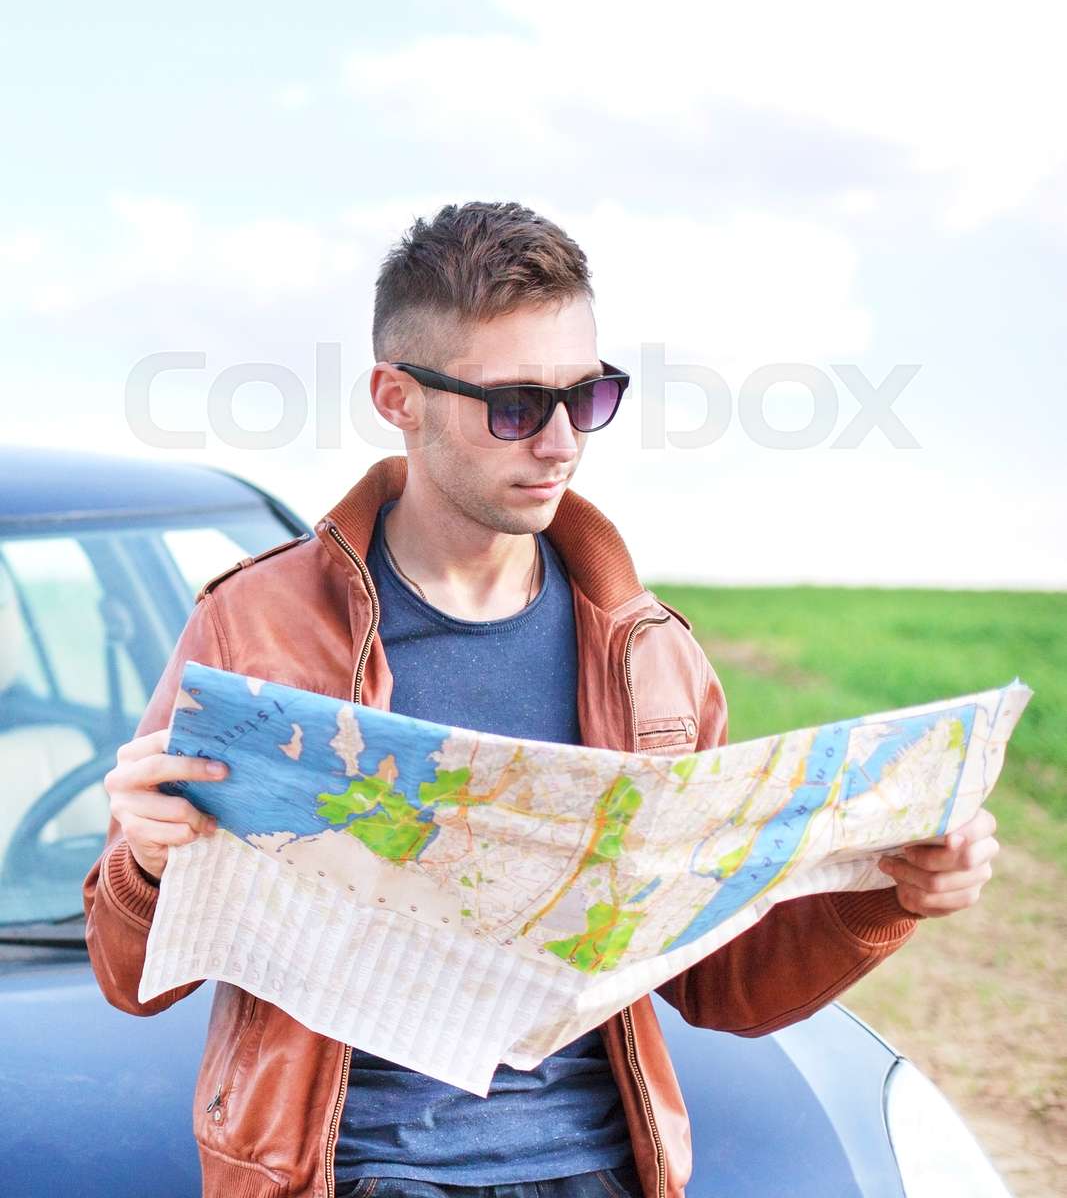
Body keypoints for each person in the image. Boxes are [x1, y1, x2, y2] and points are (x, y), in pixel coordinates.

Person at [83, 200, 999, 1198]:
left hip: (598, 1172)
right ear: (399, 397)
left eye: (589, 395)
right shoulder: (255, 629)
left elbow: (717, 980)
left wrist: (888, 894)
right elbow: (132, 978)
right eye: (516, 406)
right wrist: (146, 858)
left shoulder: (647, 656)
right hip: (349, 1175)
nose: (560, 442)